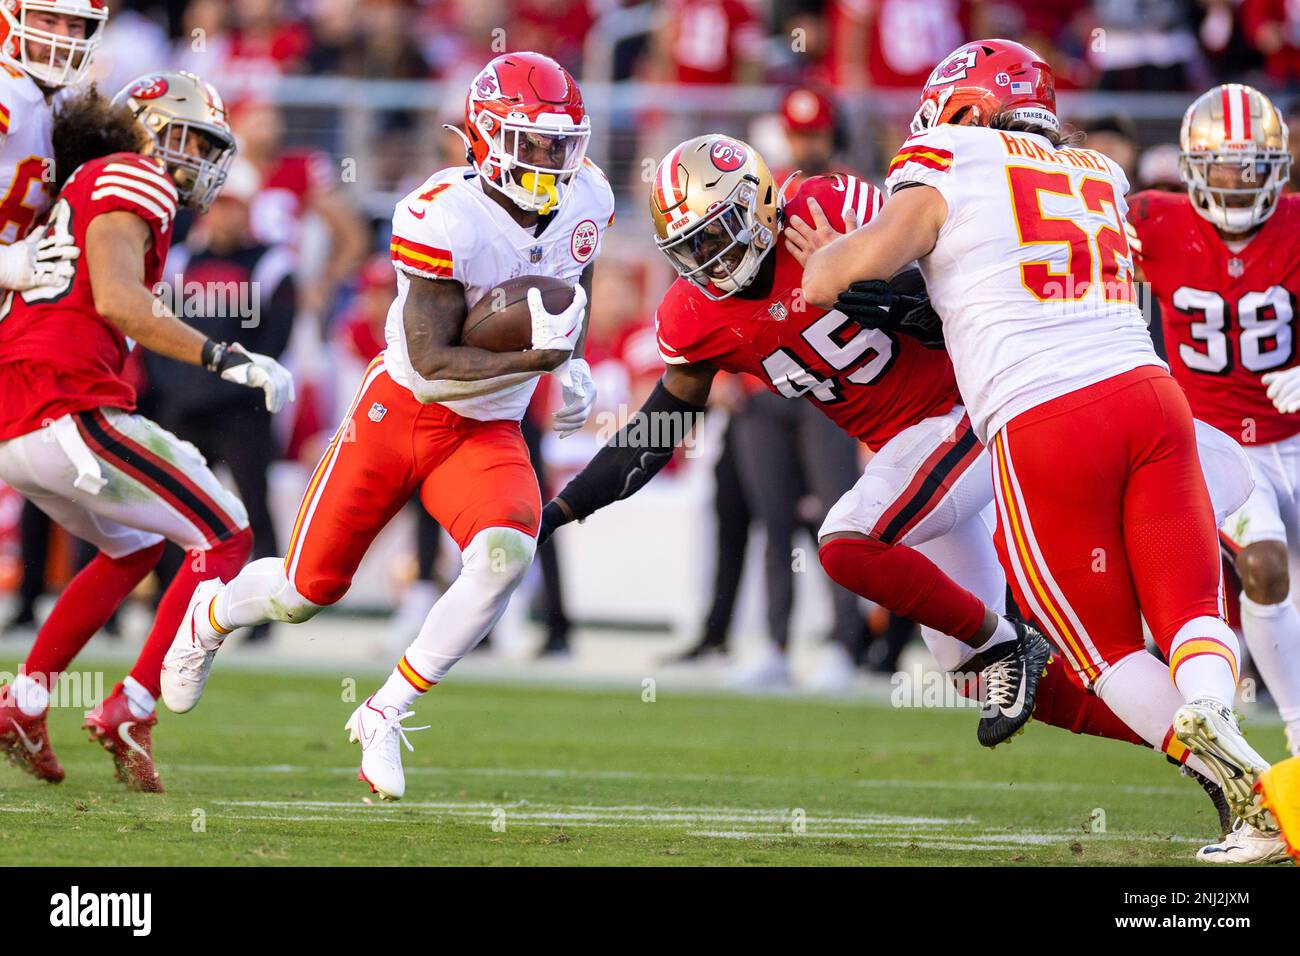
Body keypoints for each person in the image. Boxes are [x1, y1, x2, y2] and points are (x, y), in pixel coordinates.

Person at [800, 38, 1287, 864]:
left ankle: (1249, 796)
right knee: (1192, 611)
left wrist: (830, 259)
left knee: (1101, 652)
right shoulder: (1099, 170)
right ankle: (1235, 750)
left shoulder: (945, 157)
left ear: (965, 106)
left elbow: (834, 279)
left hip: (1046, 418)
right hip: (1150, 394)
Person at [160, 53, 612, 803]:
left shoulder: (587, 195)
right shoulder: (440, 213)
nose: (551, 160)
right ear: (485, 136)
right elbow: (433, 362)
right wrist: (544, 357)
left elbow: (571, 287)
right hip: (400, 413)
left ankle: (386, 709)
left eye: (561, 143)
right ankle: (209, 616)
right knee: (307, 590)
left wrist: (570, 364)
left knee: (505, 553)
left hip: (486, 429)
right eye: (532, 142)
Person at [542, 132, 1054, 746]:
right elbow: (658, 432)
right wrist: (561, 510)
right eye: (691, 246)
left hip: (970, 410)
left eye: (717, 231)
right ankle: (1169, 736)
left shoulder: (825, 206)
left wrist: (877, 289)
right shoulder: (695, 315)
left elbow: (966, 294)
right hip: (910, 452)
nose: (710, 258)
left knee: (847, 540)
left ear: (759, 200)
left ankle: (1016, 637)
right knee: (980, 675)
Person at [0, 72, 293, 791]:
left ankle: (27, 701)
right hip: (66, 403)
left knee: (132, 548)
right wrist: (225, 356)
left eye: (208, 146)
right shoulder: (136, 175)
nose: (198, 159)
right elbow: (120, 301)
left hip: (21, 419)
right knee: (227, 533)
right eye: (189, 138)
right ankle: (131, 706)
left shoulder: (94, 183)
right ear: (146, 127)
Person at [1128, 85, 1300, 774]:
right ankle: (1297, 736)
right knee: (1263, 567)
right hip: (1222, 442)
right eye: (1221, 166)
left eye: (1250, 166)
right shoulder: (1153, 220)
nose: (1234, 181)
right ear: (1191, 167)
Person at [143, 157, 296, 644]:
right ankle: (167, 606)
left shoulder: (272, 264)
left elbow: (277, 339)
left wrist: (233, 385)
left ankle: (266, 616)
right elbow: (155, 334)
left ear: (248, 209)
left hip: (243, 412)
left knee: (255, 507)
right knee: (177, 508)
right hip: (185, 410)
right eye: (220, 206)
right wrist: (178, 390)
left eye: (235, 207)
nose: (225, 216)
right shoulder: (182, 261)